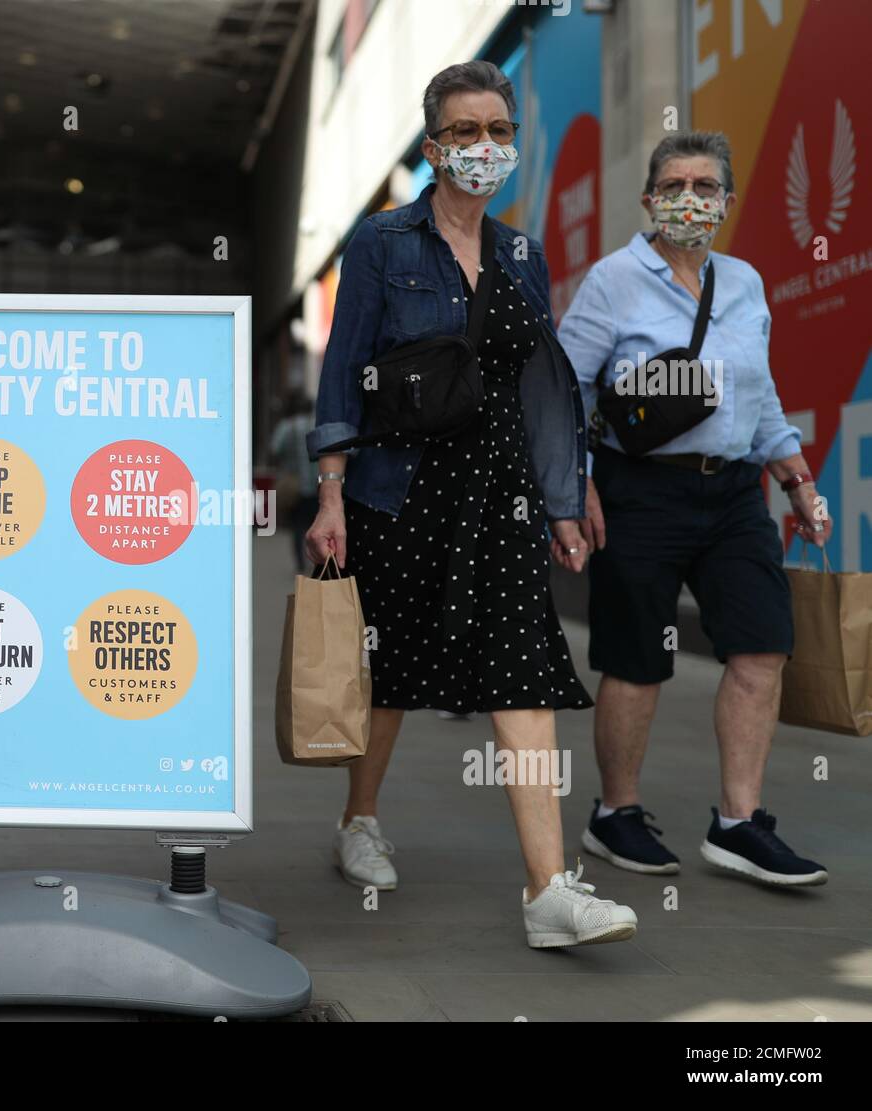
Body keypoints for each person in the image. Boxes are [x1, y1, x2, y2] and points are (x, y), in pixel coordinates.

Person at [304, 60, 636, 948]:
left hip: (502, 497)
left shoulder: (524, 253)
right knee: (393, 675)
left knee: (525, 669)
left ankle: (549, 891)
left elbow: (542, 385)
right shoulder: (382, 243)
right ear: (433, 147)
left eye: (499, 131)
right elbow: (344, 371)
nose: (485, 147)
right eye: (465, 132)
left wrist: (566, 497)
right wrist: (330, 490)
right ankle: (359, 820)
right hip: (398, 488)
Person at [558, 131, 829, 887]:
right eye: (673, 184)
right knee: (639, 656)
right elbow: (566, 390)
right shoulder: (614, 281)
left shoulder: (743, 282)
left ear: (726, 203)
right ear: (648, 199)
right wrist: (574, 482)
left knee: (762, 642)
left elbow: (760, 391)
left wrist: (797, 480)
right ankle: (616, 813)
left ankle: (737, 824)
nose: (689, 198)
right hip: (639, 489)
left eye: (705, 186)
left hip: (735, 489)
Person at [269, 393, 320, 569]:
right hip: (317, 485)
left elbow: (274, 449)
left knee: (297, 525)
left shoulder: (286, 427)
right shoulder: (317, 425)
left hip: (294, 485)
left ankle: (300, 562)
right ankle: (316, 560)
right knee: (315, 522)